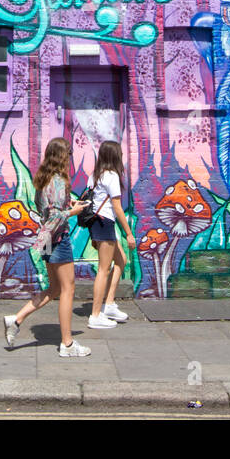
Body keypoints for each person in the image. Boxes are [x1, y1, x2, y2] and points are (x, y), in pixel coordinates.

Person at [3, 138, 92, 357]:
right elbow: (55, 216)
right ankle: (68, 344)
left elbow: (44, 208)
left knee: (54, 290)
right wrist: (73, 212)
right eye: (68, 154)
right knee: (68, 290)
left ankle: (16, 320)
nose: (70, 159)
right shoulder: (59, 180)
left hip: (47, 239)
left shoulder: (43, 179)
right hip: (59, 239)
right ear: (62, 156)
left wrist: (68, 204)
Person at [85, 140, 137, 330]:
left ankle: (109, 304)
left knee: (121, 259)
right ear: (114, 156)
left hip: (97, 223)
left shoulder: (94, 176)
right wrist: (129, 233)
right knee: (104, 269)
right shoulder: (112, 176)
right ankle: (95, 315)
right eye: (120, 154)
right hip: (105, 222)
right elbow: (116, 207)